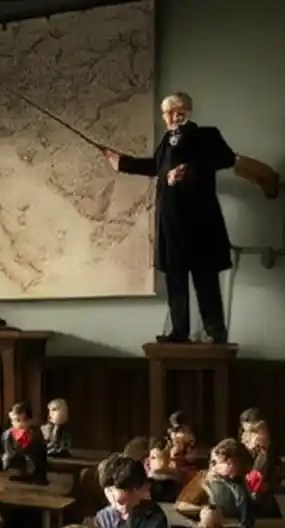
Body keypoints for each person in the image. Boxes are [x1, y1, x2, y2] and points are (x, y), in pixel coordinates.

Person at [106, 92, 236, 344]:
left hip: (199, 221)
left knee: (204, 276)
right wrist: (122, 163)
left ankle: (215, 331)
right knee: (175, 277)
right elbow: (157, 166)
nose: (166, 118)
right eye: (165, 112)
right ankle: (179, 331)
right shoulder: (168, 139)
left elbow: (226, 158)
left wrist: (187, 171)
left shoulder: (206, 135)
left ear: (181, 112)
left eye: (169, 112)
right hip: (172, 220)